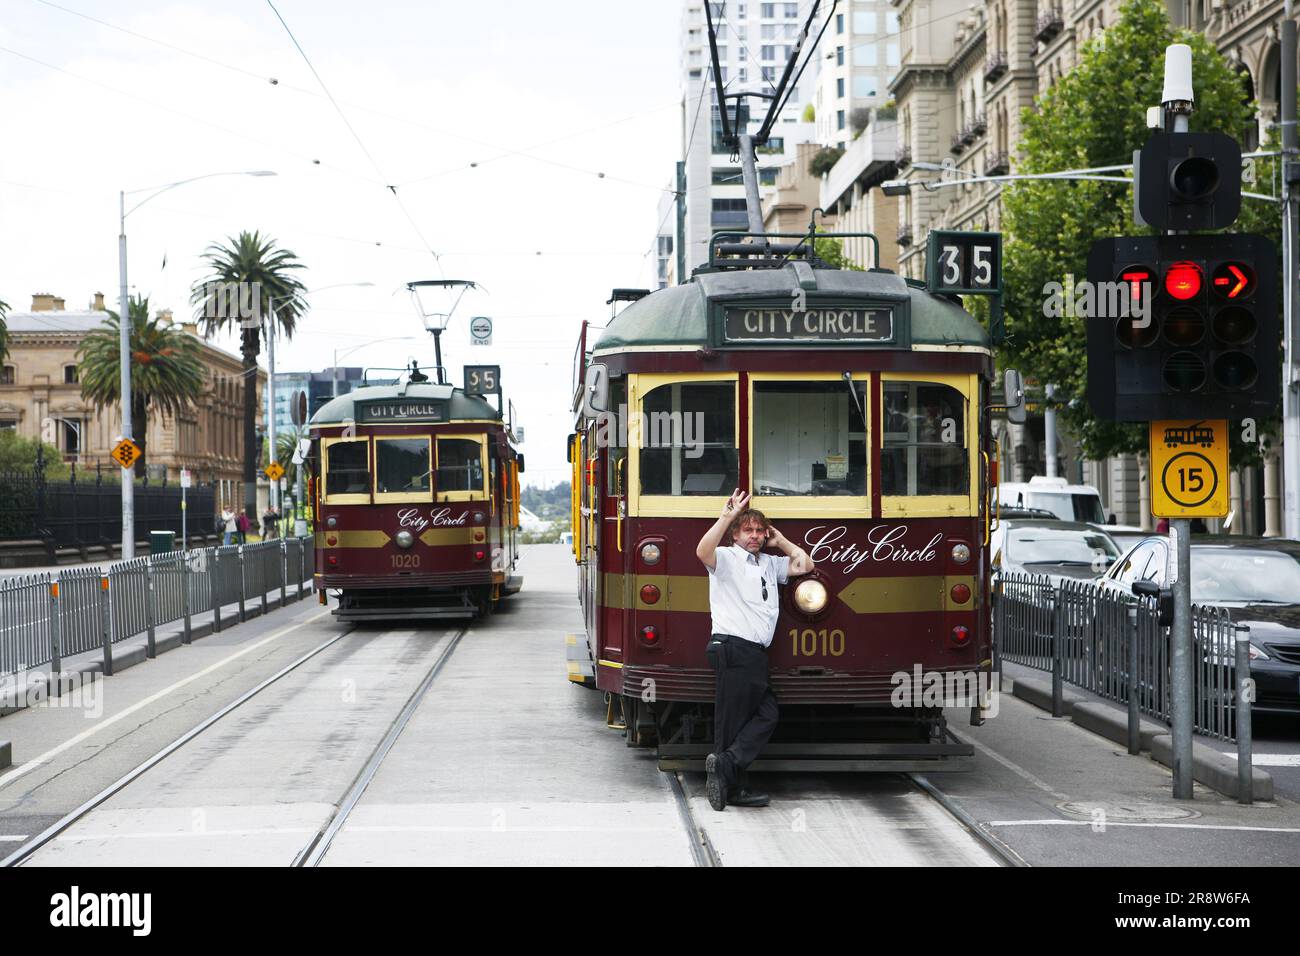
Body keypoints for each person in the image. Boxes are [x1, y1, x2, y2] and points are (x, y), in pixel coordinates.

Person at [696, 489, 815, 812]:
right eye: (748, 530)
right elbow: (702, 551)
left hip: (752, 653)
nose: (755, 536)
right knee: (733, 722)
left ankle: (726, 767)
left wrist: (782, 541)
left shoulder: (769, 563)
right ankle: (732, 784)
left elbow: (804, 565)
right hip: (734, 646)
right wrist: (726, 517)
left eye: (760, 531)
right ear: (736, 534)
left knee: (765, 714)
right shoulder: (727, 558)